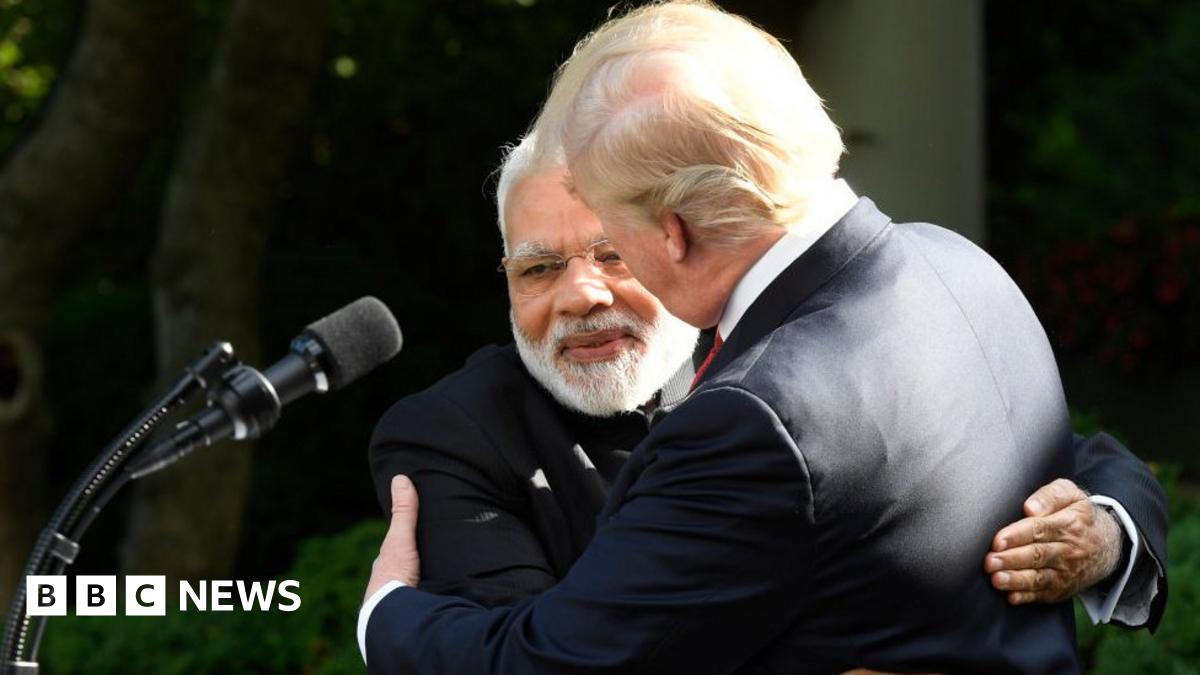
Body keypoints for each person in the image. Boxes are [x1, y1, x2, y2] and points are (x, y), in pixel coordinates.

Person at [362, 3, 1167, 672]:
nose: (586, 286)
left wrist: (390, 616)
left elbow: (562, 662)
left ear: (671, 232)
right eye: (539, 266)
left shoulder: (755, 416)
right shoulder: (961, 264)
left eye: (612, 239)